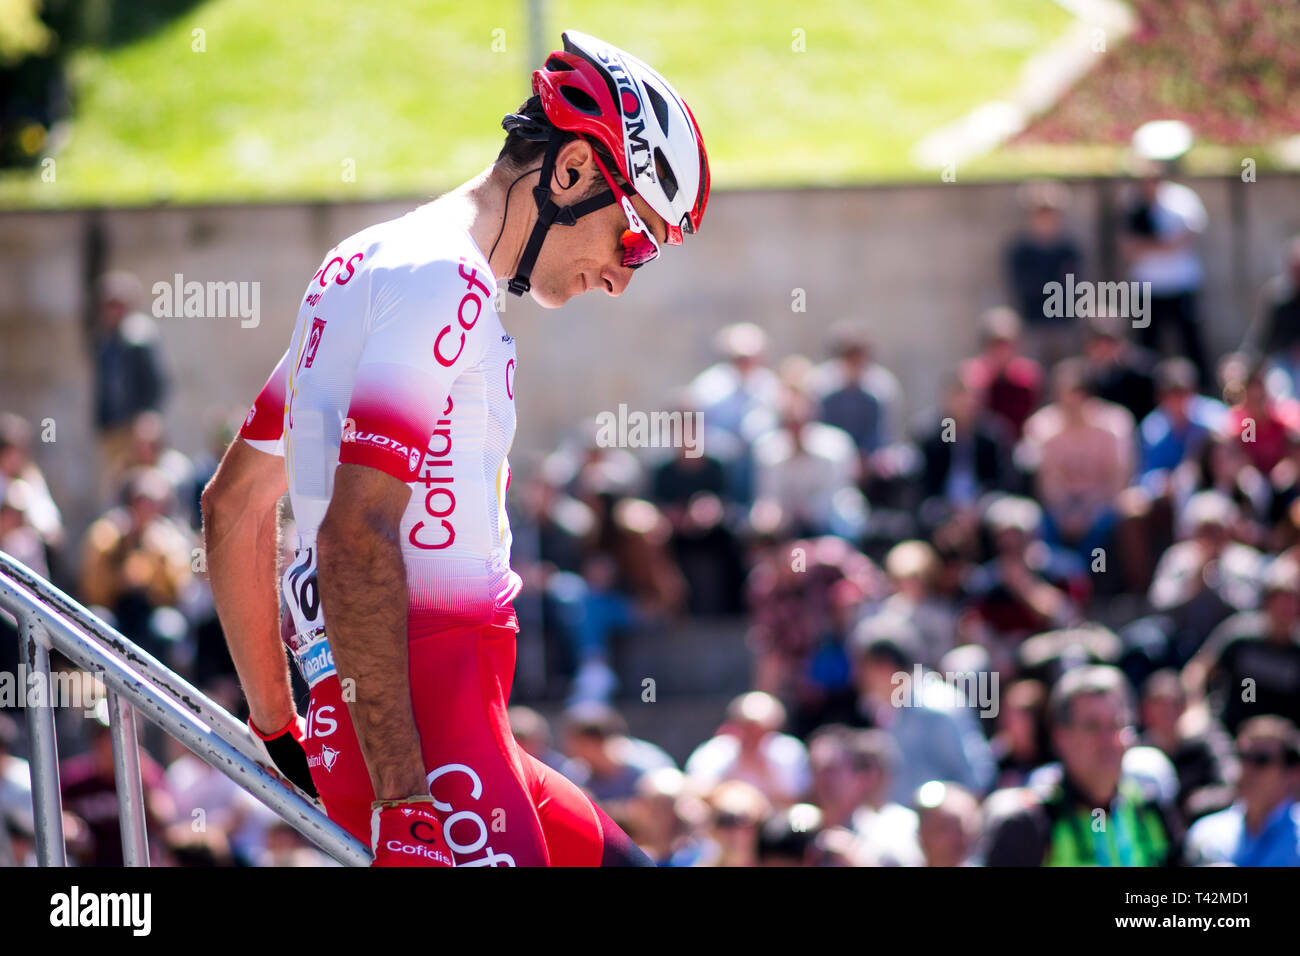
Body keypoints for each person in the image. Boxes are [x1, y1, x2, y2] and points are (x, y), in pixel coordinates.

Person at [202, 30, 709, 867]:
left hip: (420, 722)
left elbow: (233, 506)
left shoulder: (363, 263)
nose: (623, 276)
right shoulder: (447, 282)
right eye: (634, 238)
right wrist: (405, 801)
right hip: (433, 741)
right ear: (573, 168)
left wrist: (283, 731)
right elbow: (355, 538)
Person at [982, 665, 1182, 866]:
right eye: (1092, 726)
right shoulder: (1030, 824)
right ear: (1061, 737)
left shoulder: (1150, 807)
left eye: (1116, 724)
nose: (1108, 740)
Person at [1119, 121, 1210, 388]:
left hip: (1182, 285)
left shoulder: (1182, 200)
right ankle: (1151, 396)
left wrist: (1150, 246)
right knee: (1147, 350)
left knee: (1191, 343)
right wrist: (1163, 244)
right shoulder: (1131, 204)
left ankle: (1200, 392)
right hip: (1146, 289)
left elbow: (1186, 240)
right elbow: (1128, 247)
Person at [1183, 716, 1300, 866]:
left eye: (1261, 760)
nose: (1247, 769)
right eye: (1242, 757)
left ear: (1292, 773)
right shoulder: (1205, 834)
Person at [1004, 180, 1084, 369]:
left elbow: (1072, 285)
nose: (1045, 218)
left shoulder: (1068, 248)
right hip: (1032, 322)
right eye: (1040, 213)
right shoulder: (1021, 249)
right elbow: (1022, 286)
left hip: (1063, 322)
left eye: (1050, 213)